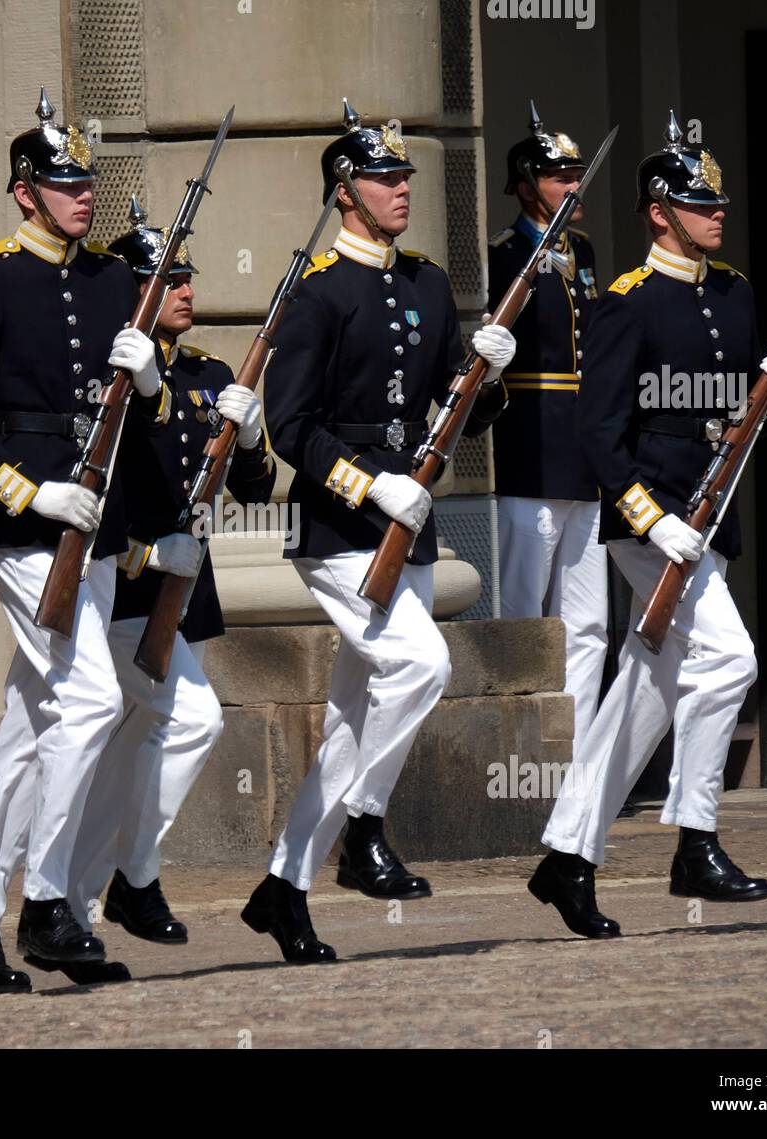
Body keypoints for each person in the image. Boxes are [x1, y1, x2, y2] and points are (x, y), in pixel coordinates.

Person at [242, 100, 514, 963]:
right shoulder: (317, 295)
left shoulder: (429, 283)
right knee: (424, 663)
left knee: (358, 719)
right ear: (345, 191)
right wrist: (371, 485)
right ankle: (362, 828)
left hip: (412, 525)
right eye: (386, 178)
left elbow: (457, 411)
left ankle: (284, 887)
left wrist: (491, 376)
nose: (402, 189)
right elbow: (289, 425)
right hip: (342, 529)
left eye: (405, 177)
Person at [0, 90, 170, 993]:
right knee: (92, 699)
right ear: (24, 191)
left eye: (87, 182)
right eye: (64, 183)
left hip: (94, 527)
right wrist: (30, 491)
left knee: (31, 727)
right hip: (27, 530)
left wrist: (151, 389)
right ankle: (51, 901)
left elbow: (152, 423)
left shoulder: (111, 281)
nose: (82, 196)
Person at [529, 111, 767, 938]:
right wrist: (651, 522)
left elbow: (739, 419)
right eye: (697, 203)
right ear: (658, 210)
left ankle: (569, 859)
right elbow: (600, 433)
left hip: (709, 518)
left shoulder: (735, 292)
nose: (716, 214)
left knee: (644, 692)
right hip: (654, 526)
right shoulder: (627, 303)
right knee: (730, 659)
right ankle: (696, 838)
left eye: (717, 202)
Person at [36, 198, 277, 983]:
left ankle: (93, 899)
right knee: (168, 723)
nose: (181, 286)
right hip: (122, 589)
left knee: (127, 750)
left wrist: (246, 434)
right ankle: (115, 887)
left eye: (184, 273)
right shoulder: (112, 382)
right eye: (164, 276)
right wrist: (144, 555)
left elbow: (256, 484)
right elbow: (95, 488)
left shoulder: (209, 374)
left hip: (176, 602)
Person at [489, 101, 607, 757]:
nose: (574, 186)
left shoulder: (581, 251)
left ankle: (577, 751)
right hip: (529, 450)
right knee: (524, 615)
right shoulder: (505, 255)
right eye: (562, 176)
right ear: (530, 184)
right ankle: (524, 750)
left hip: (582, 456)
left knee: (587, 622)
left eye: (576, 174)